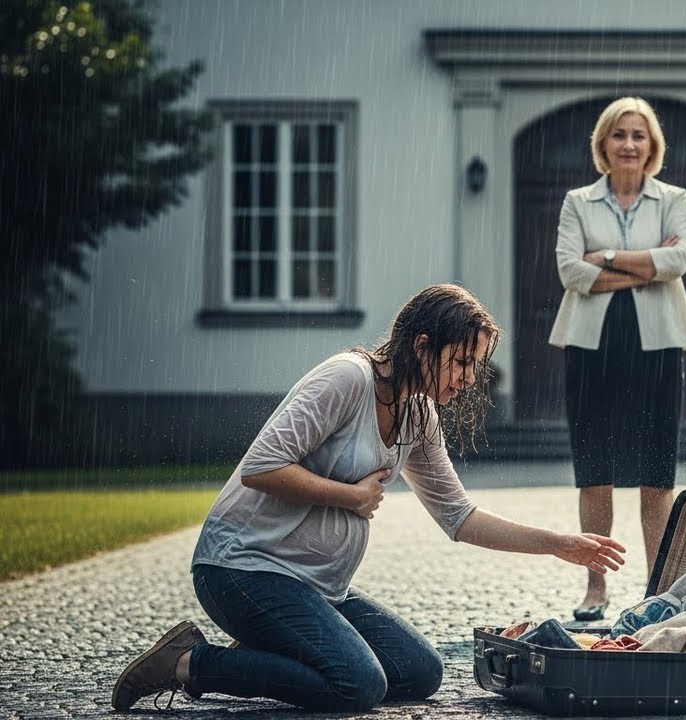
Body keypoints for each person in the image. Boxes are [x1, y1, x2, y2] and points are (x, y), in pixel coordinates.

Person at [111, 284, 626, 713]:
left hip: (314, 587)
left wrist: (559, 544)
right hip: (240, 570)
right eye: (462, 361)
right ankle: (187, 663)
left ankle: (274, 645)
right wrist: (350, 496)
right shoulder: (348, 378)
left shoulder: (418, 414)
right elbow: (261, 468)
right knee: (358, 685)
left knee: (420, 673)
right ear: (423, 346)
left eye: (476, 365)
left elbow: (460, 516)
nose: (469, 377)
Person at [548, 97, 686, 622]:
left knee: (657, 474)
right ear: (604, 146)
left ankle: (658, 590)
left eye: (639, 135)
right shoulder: (577, 202)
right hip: (590, 347)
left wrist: (608, 259)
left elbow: (680, 259)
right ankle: (596, 588)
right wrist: (648, 267)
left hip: (658, 344)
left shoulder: (673, 197)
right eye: (619, 135)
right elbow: (571, 272)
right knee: (595, 471)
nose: (629, 144)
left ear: (652, 146)